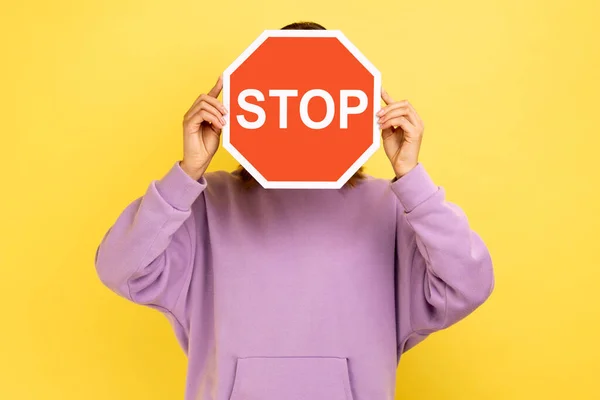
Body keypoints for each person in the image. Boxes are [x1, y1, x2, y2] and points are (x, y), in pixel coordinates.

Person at [95, 21, 494, 400]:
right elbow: (119, 267)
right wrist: (187, 173)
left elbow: (468, 284)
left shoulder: (389, 207)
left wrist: (412, 179)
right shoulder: (204, 203)